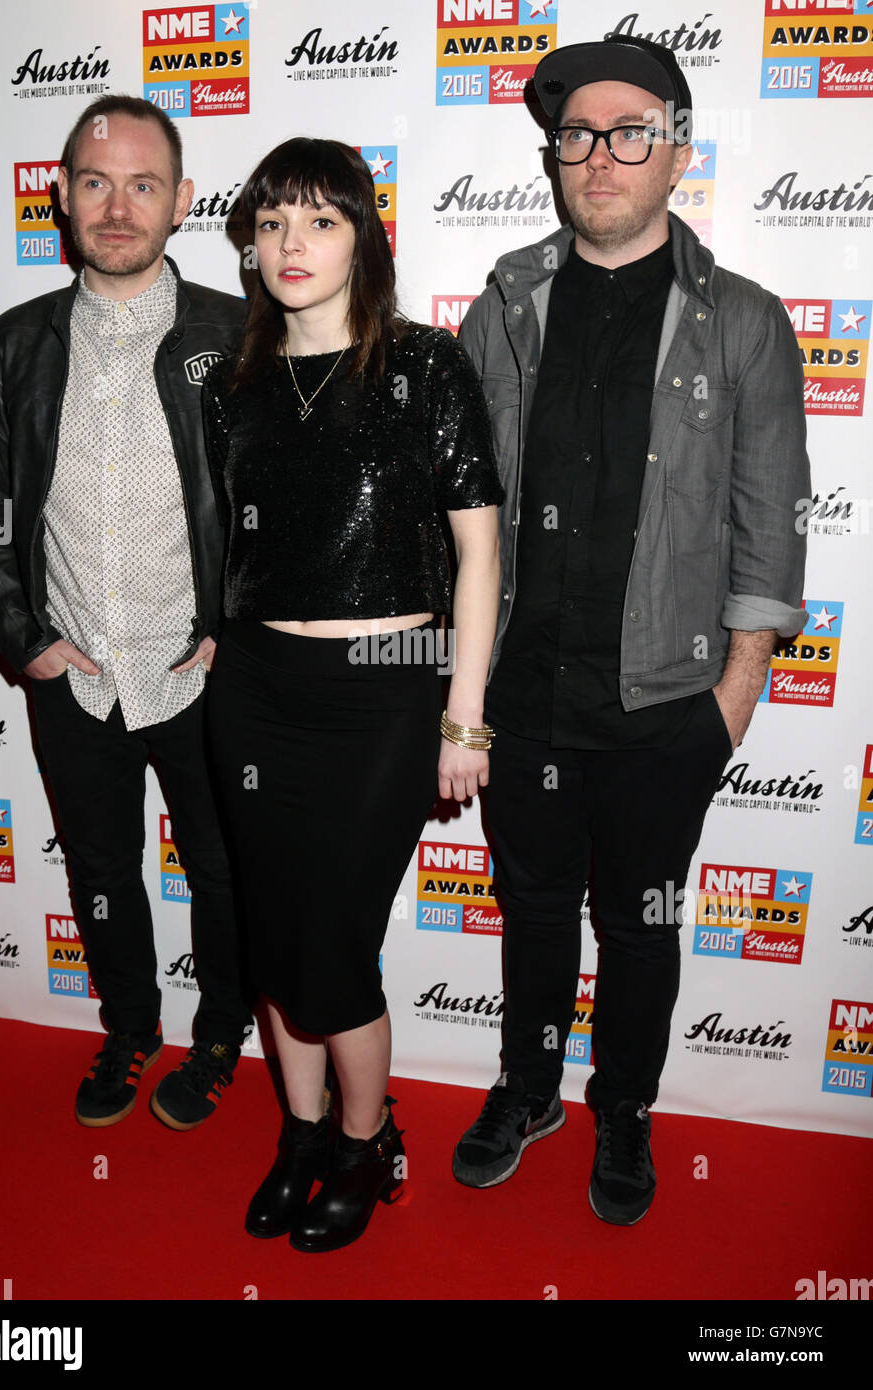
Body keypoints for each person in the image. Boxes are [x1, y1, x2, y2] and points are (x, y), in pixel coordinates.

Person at [452, 35, 810, 1224]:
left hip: (667, 701)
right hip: (523, 692)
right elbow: (463, 511)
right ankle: (529, 1083)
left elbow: (770, 521)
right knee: (536, 910)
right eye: (576, 136)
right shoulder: (505, 303)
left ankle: (626, 1105)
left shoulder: (745, 322)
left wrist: (734, 696)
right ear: (554, 156)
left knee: (642, 920)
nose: (598, 157)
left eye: (628, 133)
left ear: (677, 151)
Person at [202, 137, 503, 1253]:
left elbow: (479, 554)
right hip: (257, 686)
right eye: (274, 219)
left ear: (365, 239)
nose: (293, 242)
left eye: (323, 220)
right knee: (277, 945)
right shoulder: (231, 387)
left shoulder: (426, 366)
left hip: (384, 691)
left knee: (330, 946)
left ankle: (368, 1140)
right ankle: (301, 1131)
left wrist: (465, 714)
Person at [0, 95, 252, 1130]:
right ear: (62, 195)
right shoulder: (17, 344)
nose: (117, 206)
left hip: (201, 674)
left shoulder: (239, 333)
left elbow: (281, 503)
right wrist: (22, 640)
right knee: (101, 868)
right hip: (74, 674)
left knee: (223, 868)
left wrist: (238, 624)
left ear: (182, 202)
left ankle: (220, 1035)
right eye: (94, 182)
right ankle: (130, 1026)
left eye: (143, 183)